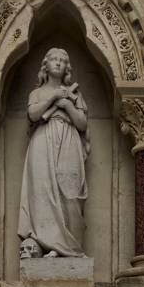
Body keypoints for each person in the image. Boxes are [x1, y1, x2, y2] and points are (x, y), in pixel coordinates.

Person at [18, 48, 89, 258]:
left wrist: (67, 104)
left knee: (70, 191)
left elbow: (82, 124)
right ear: (45, 65)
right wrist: (53, 97)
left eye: (62, 60)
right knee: (42, 191)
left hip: (68, 140)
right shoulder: (37, 93)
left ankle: (70, 248)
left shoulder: (75, 94)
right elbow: (33, 114)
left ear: (67, 67)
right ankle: (48, 246)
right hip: (42, 141)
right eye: (54, 59)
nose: (58, 63)